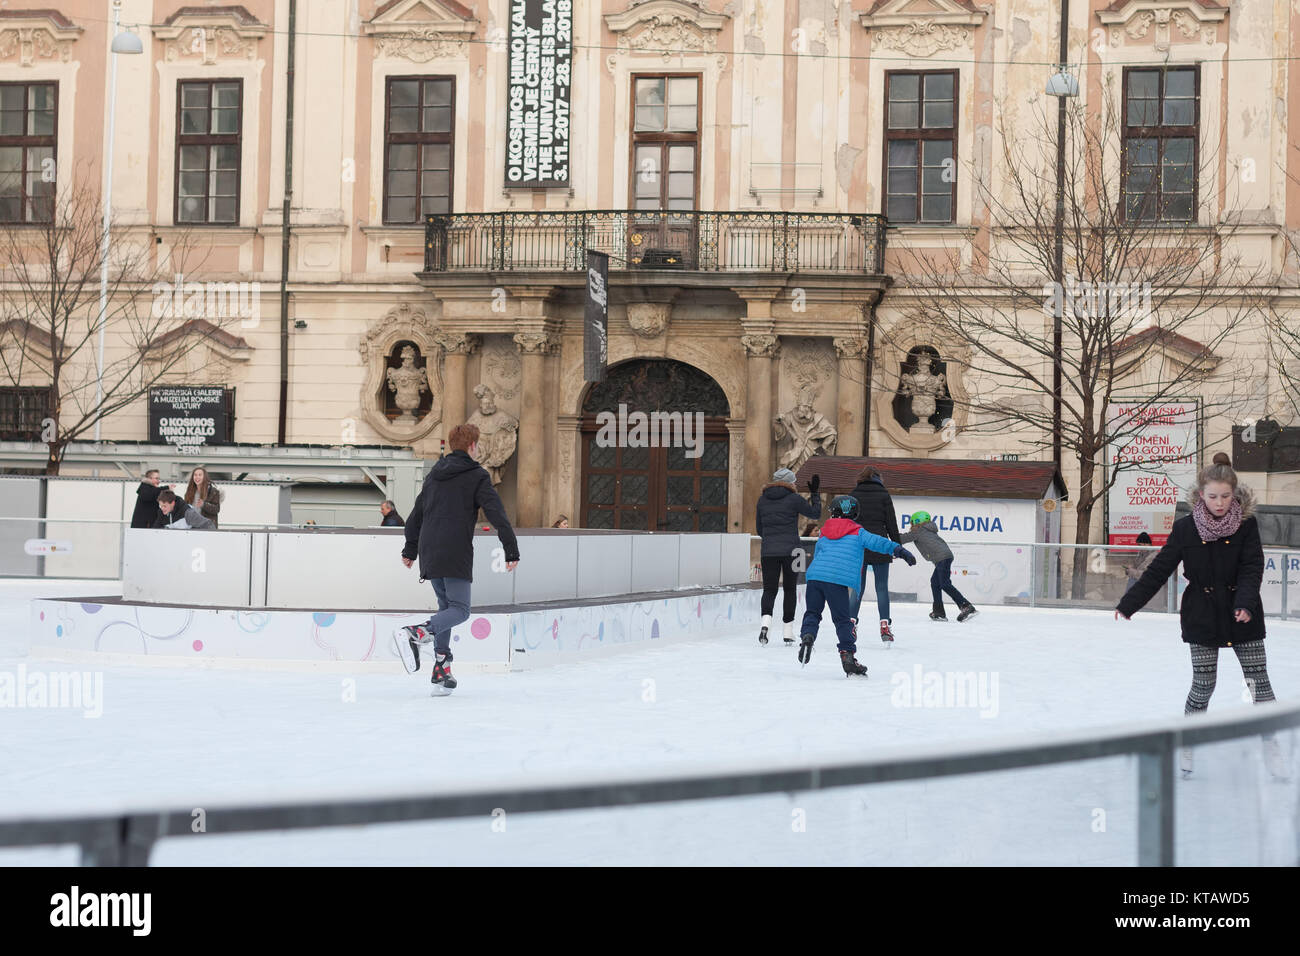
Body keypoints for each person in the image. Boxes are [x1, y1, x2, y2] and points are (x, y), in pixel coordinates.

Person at [1116, 453, 1283, 778]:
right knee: (1204, 685)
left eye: (1225, 496)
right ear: (1200, 494)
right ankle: (1188, 740)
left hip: (1242, 615)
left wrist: (1246, 604)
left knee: (1259, 684)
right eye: (1212, 496)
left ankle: (1272, 744)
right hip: (1202, 615)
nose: (1219, 503)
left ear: (1233, 493)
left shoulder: (1247, 526)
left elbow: (1252, 567)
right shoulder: (1185, 529)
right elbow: (1160, 569)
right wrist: (1129, 603)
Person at [394, 423, 520, 695]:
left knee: (446, 609)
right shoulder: (477, 475)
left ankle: (441, 667)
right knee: (460, 610)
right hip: (454, 550)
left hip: (430, 550)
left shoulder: (434, 475)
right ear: (473, 446)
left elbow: (416, 515)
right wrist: (511, 548)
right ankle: (418, 633)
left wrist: (410, 549)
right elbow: (496, 513)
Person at [797, 495, 916, 676]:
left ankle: (807, 637)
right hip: (836, 580)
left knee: (813, 613)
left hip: (815, 577)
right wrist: (900, 551)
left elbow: (820, 552)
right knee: (843, 621)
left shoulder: (824, 531)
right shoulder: (858, 532)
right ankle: (848, 657)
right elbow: (879, 543)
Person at [755, 467, 821, 646]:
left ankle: (765, 625)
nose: (796, 484)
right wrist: (815, 494)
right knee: (790, 589)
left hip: (768, 551)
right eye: (794, 481)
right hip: (792, 551)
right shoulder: (794, 499)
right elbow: (815, 514)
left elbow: (759, 529)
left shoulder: (762, 500)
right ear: (789, 482)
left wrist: (770, 539)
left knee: (769, 590)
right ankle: (787, 631)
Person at [849, 466, 902, 643]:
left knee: (857, 588)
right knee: (881, 588)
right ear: (878, 479)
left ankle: (851, 624)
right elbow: (891, 523)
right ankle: (885, 625)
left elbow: (848, 523)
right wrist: (896, 547)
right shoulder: (883, 495)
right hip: (879, 544)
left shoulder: (853, 495)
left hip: (859, 545)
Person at [899, 511, 977, 622]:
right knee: (935, 582)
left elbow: (903, 538)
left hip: (942, 558)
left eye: (912, 523)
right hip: (944, 557)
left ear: (917, 522)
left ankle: (966, 606)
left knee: (944, 583)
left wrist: (889, 535)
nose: (911, 526)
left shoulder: (919, 530)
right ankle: (939, 612)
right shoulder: (927, 529)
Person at [1123, 531, 1157, 596]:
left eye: (1139, 545)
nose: (1138, 547)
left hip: (1148, 584)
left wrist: (1131, 571)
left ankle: (1127, 598)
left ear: (1146, 544)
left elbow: (1144, 574)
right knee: (1132, 579)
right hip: (1140, 583)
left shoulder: (1153, 556)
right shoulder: (1142, 554)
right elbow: (1136, 565)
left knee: (1132, 579)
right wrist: (1130, 568)